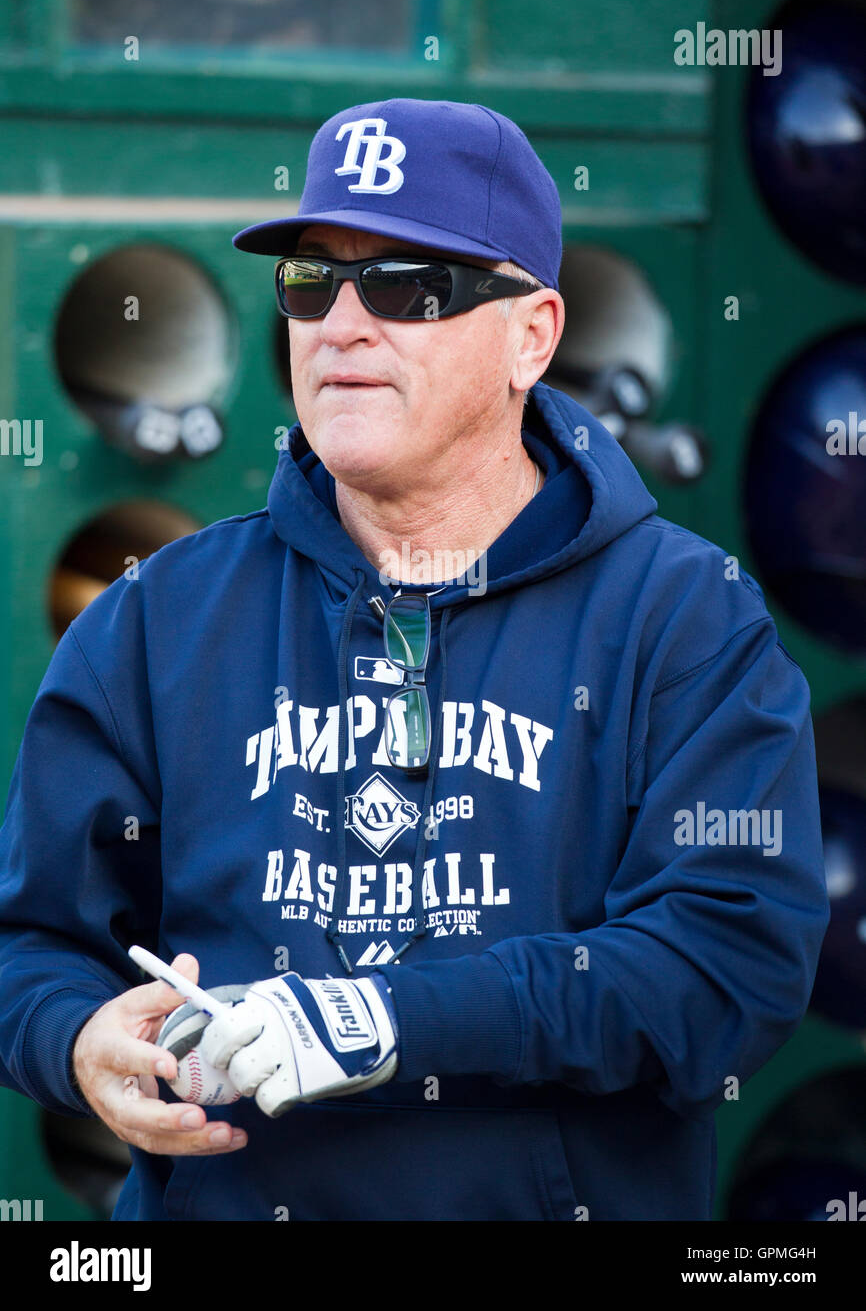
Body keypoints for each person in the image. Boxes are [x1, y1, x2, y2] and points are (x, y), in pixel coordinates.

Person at [0, 98, 829, 1221]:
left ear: (530, 335)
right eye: (310, 281)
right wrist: (76, 1034)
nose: (341, 324)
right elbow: (30, 945)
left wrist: (376, 1020)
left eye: (407, 284)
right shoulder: (159, 615)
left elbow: (725, 969)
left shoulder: (683, 617)